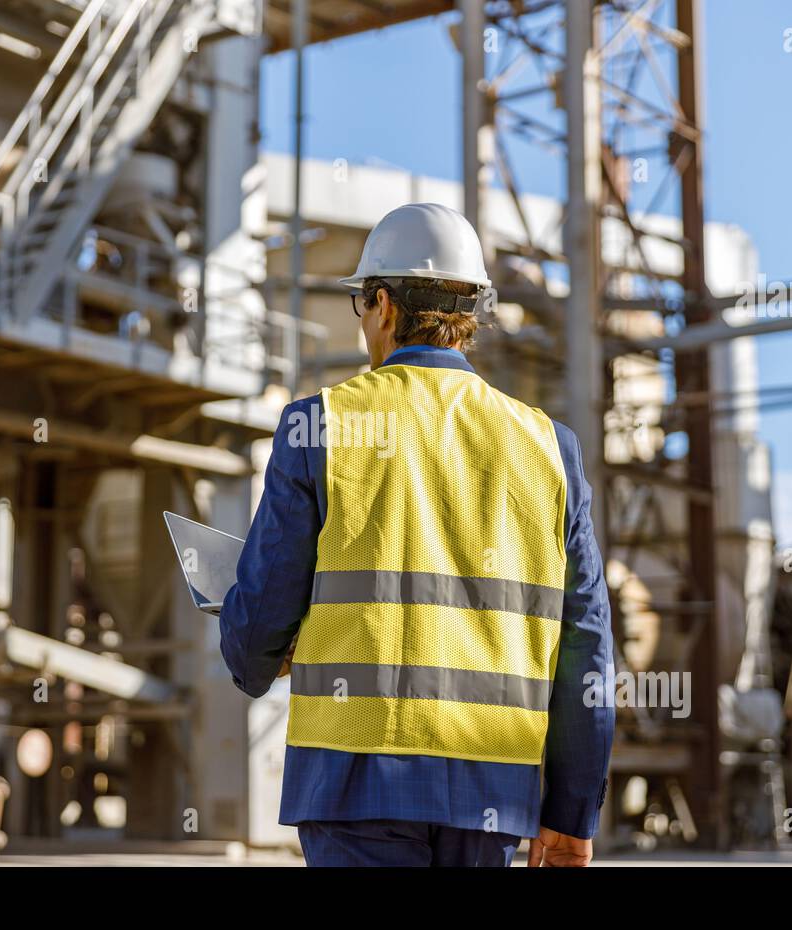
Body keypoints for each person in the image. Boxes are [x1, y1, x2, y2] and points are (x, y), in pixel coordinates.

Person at [219, 202, 614, 867]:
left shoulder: (319, 427)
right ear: (472, 314)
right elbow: (586, 648)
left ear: (381, 303)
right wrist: (572, 813)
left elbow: (260, 620)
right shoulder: (552, 448)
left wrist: (255, 656)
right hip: (493, 787)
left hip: (355, 784)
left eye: (361, 304)